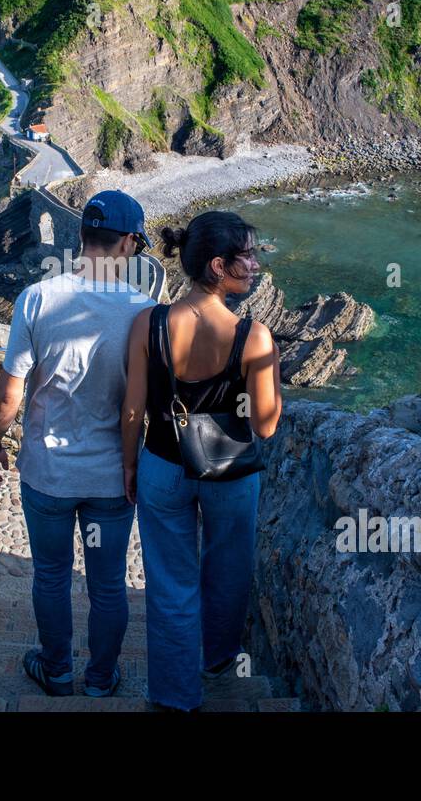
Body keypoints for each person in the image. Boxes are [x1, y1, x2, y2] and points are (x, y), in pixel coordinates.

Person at [0, 190, 154, 698]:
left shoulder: (37, 298)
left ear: (81, 237)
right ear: (128, 244)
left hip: (48, 474)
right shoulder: (144, 312)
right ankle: (101, 679)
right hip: (111, 478)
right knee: (108, 585)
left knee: (51, 577)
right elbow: (140, 405)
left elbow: (10, 391)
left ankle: (56, 672)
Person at [120, 210, 282, 712]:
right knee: (229, 570)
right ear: (218, 265)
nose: (255, 265)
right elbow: (266, 425)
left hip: (163, 465)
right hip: (230, 474)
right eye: (247, 257)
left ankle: (173, 695)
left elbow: (132, 407)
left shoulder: (149, 323)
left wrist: (130, 467)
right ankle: (216, 659)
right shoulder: (253, 336)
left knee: (170, 581)